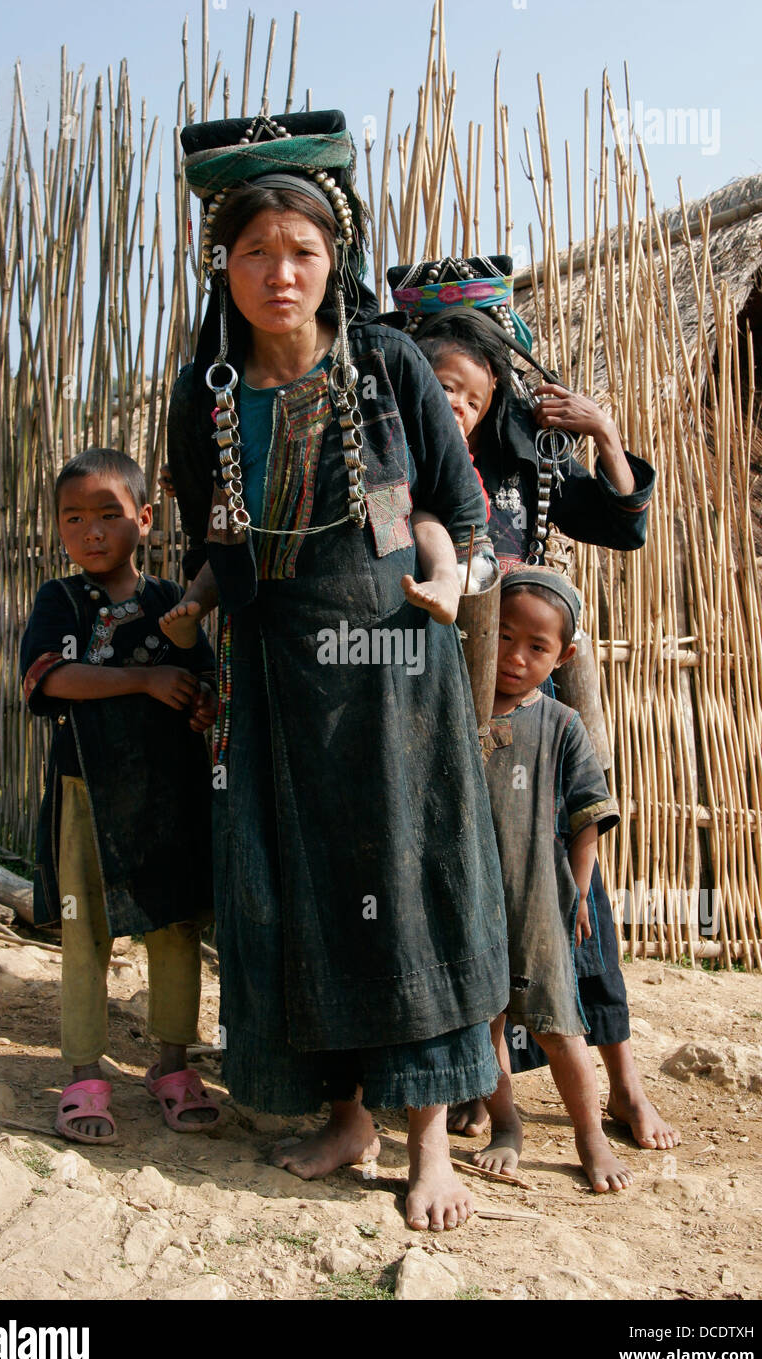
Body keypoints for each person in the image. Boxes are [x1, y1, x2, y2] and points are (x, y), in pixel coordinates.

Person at [162, 111, 508, 1232]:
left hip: (396, 673)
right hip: (273, 676)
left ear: (333, 262)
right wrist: (197, 605)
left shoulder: (392, 366)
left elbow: (460, 513)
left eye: (301, 252)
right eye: (255, 250)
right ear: (225, 263)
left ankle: (427, 1147)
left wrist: (451, 574)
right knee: (301, 887)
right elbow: (214, 539)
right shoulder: (205, 395)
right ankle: (346, 1110)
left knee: (406, 885)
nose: (279, 273)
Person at [385, 254, 679, 1152]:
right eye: (436, 382)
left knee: (564, 890)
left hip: (525, 701)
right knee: (455, 880)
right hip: (427, 699)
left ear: (496, 383)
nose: (455, 403)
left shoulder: (530, 467)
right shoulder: (395, 473)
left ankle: (622, 1081)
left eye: (472, 385)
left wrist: (604, 431)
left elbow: (624, 525)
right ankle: (471, 1077)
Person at [20, 448, 221, 1143]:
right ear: (58, 528)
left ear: (144, 517)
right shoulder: (61, 601)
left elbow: (205, 679)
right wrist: (144, 680)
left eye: (109, 515)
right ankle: (82, 1075)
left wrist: (199, 700)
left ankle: (171, 1065)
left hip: (169, 798)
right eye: (74, 518)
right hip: (87, 795)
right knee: (85, 934)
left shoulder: (173, 601)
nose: (92, 532)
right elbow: (48, 679)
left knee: (175, 927)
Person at [479, 567, 633, 1192]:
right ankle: (505, 1124)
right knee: (482, 1020)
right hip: (471, 896)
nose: (516, 657)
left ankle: (589, 1134)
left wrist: (578, 892)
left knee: (557, 1023)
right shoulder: (459, 701)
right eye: (506, 636)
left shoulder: (563, 724)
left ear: (563, 656)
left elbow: (589, 816)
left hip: (539, 897)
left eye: (537, 647)